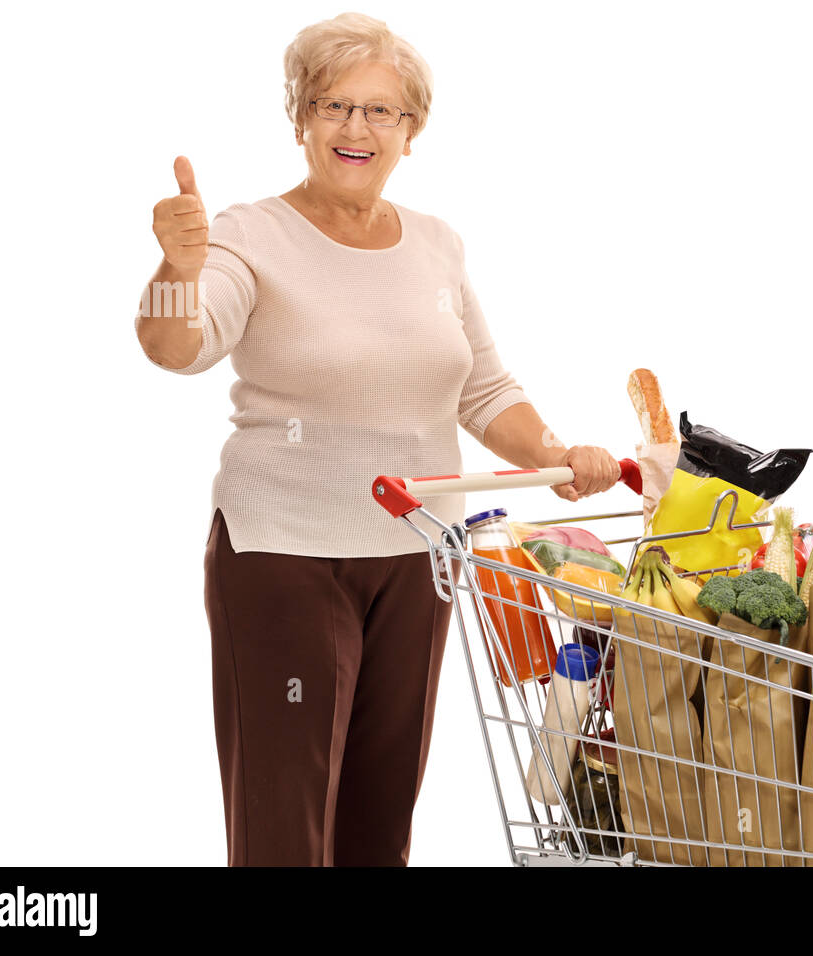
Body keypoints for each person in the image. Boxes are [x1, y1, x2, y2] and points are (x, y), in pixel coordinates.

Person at [134, 12, 621, 866]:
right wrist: (176, 270)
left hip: (416, 554)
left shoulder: (436, 245)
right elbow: (180, 347)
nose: (355, 129)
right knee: (285, 827)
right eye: (332, 106)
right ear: (300, 120)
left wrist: (554, 452)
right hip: (283, 555)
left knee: (379, 820)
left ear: (411, 130)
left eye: (380, 112)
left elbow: (482, 386)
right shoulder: (248, 235)